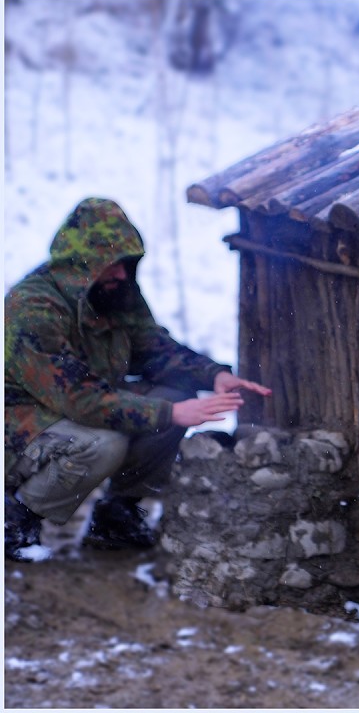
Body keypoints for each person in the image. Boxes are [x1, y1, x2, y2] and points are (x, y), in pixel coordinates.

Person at [4, 197, 271, 561]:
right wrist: (171, 414)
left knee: (177, 393)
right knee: (104, 443)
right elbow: (79, 398)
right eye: (110, 266)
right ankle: (18, 518)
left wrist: (215, 374)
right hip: (23, 423)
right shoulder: (32, 308)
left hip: (88, 402)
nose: (120, 275)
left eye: (126, 265)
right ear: (80, 265)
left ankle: (118, 512)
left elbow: (153, 348)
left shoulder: (116, 292)